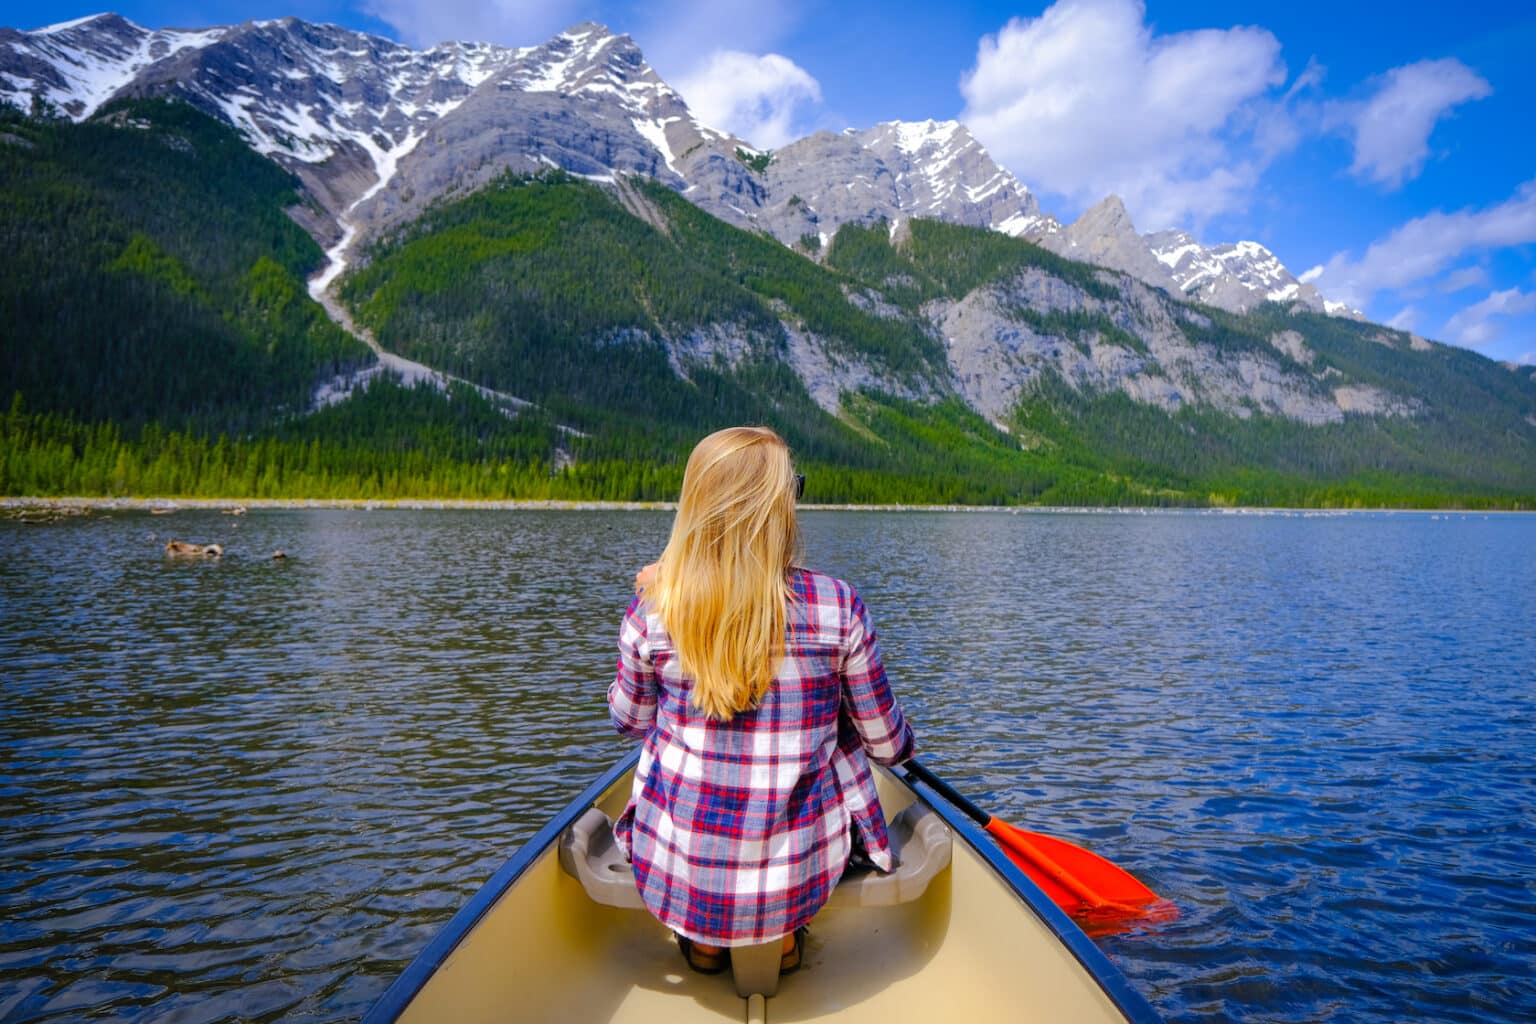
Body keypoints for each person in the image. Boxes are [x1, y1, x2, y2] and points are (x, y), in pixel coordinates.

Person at [608, 426, 916, 977]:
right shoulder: (838, 607)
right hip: (798, 869)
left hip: (682, 865)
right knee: (837, 748)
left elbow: (630, 722)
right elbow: (889, 749)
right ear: (777, 507)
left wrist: (667, 591)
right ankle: (786, 937)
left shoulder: (651, 611)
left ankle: (703, 944)